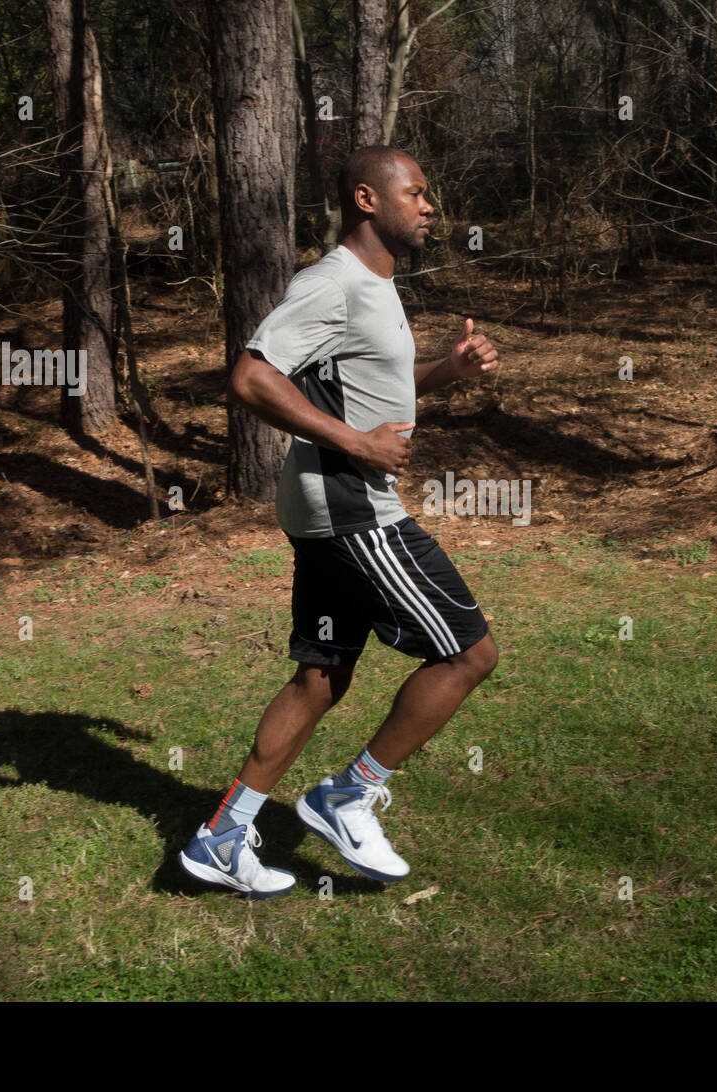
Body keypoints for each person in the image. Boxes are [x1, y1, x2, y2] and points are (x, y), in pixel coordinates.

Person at [179, 146, 502, 898]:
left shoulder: (375, 286)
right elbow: (250, 376)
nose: (430, 207)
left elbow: (374, 383)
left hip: (326, 504)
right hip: (356, 507)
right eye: (416, 194)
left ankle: (221, 837)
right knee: (469, 656)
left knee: (321, 676)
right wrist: (357, 443)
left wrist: (447, 372)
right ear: (367, 198)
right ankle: (346, 795)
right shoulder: (332, 283)